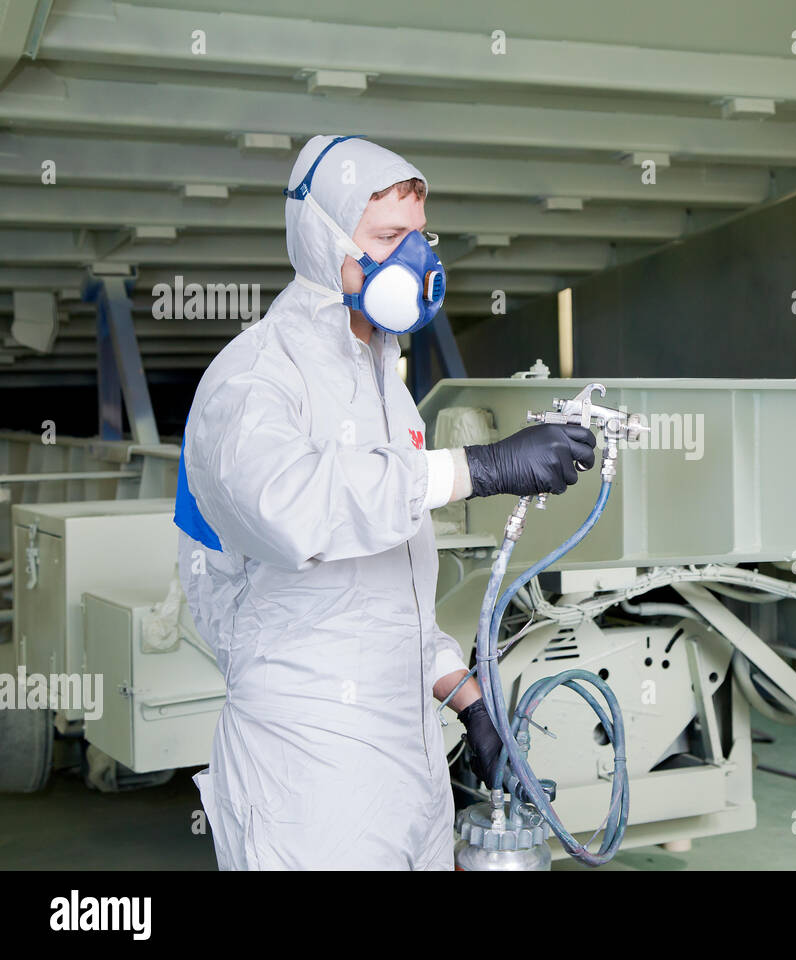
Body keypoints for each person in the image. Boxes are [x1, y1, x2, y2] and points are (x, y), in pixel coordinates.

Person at [174, 134, 595, 869]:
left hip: (408, 753)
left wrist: (464, 696)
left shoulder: (386, 385)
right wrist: (480, 468)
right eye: (389, 237)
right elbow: (293, 511)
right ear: (322, 240)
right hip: (309, 767)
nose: (417, 260)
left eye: (420, 237)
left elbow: (379, 595)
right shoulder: (253, 378)